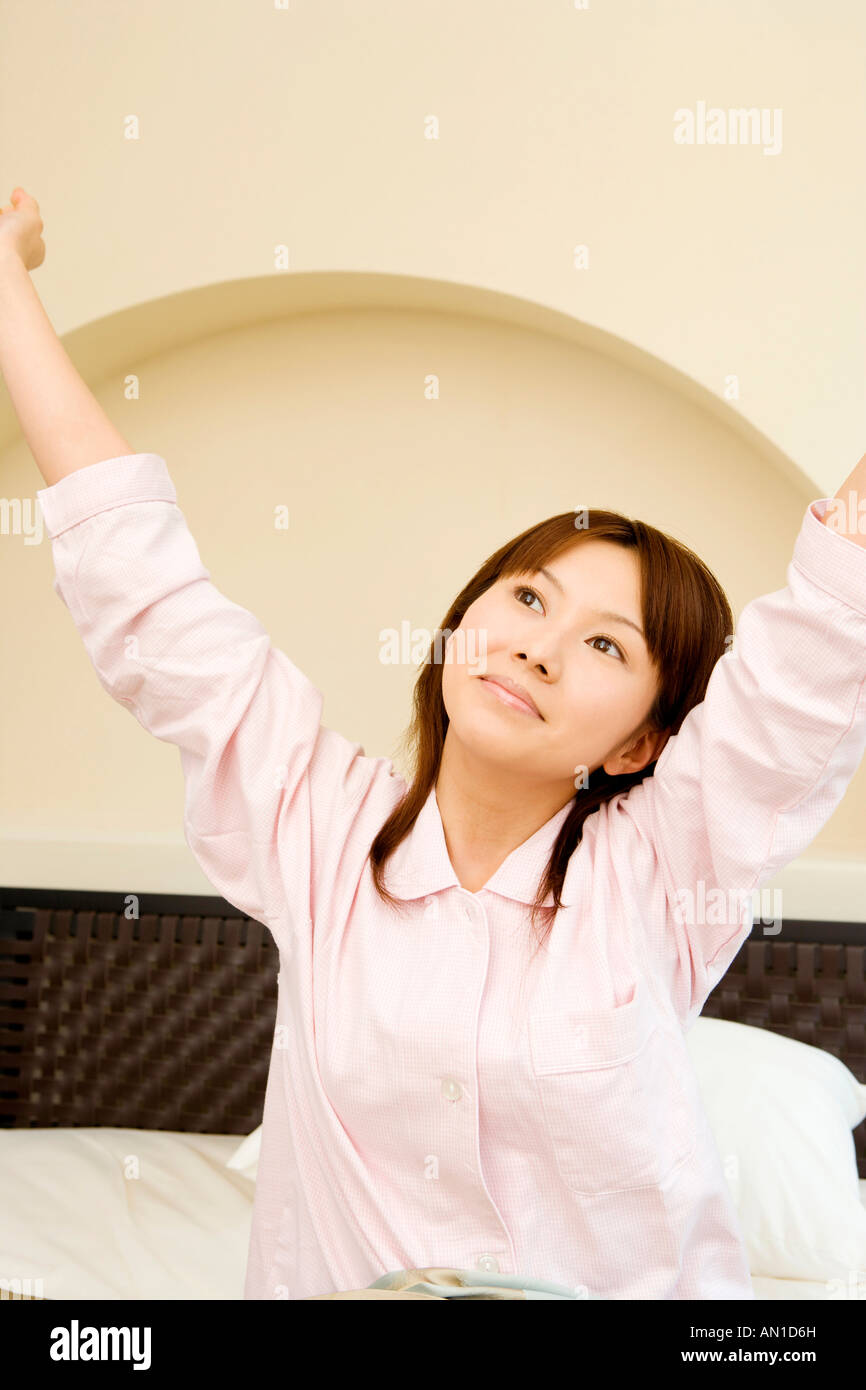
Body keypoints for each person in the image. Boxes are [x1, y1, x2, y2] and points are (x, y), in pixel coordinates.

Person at [3, 188, 865, 1301]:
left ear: (646, 737)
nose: (539, 649)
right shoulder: (318, 829)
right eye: (525, 598)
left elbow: (813, 658)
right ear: (463, 625)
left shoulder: (661, 875)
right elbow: (148, 593)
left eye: (605, 645)